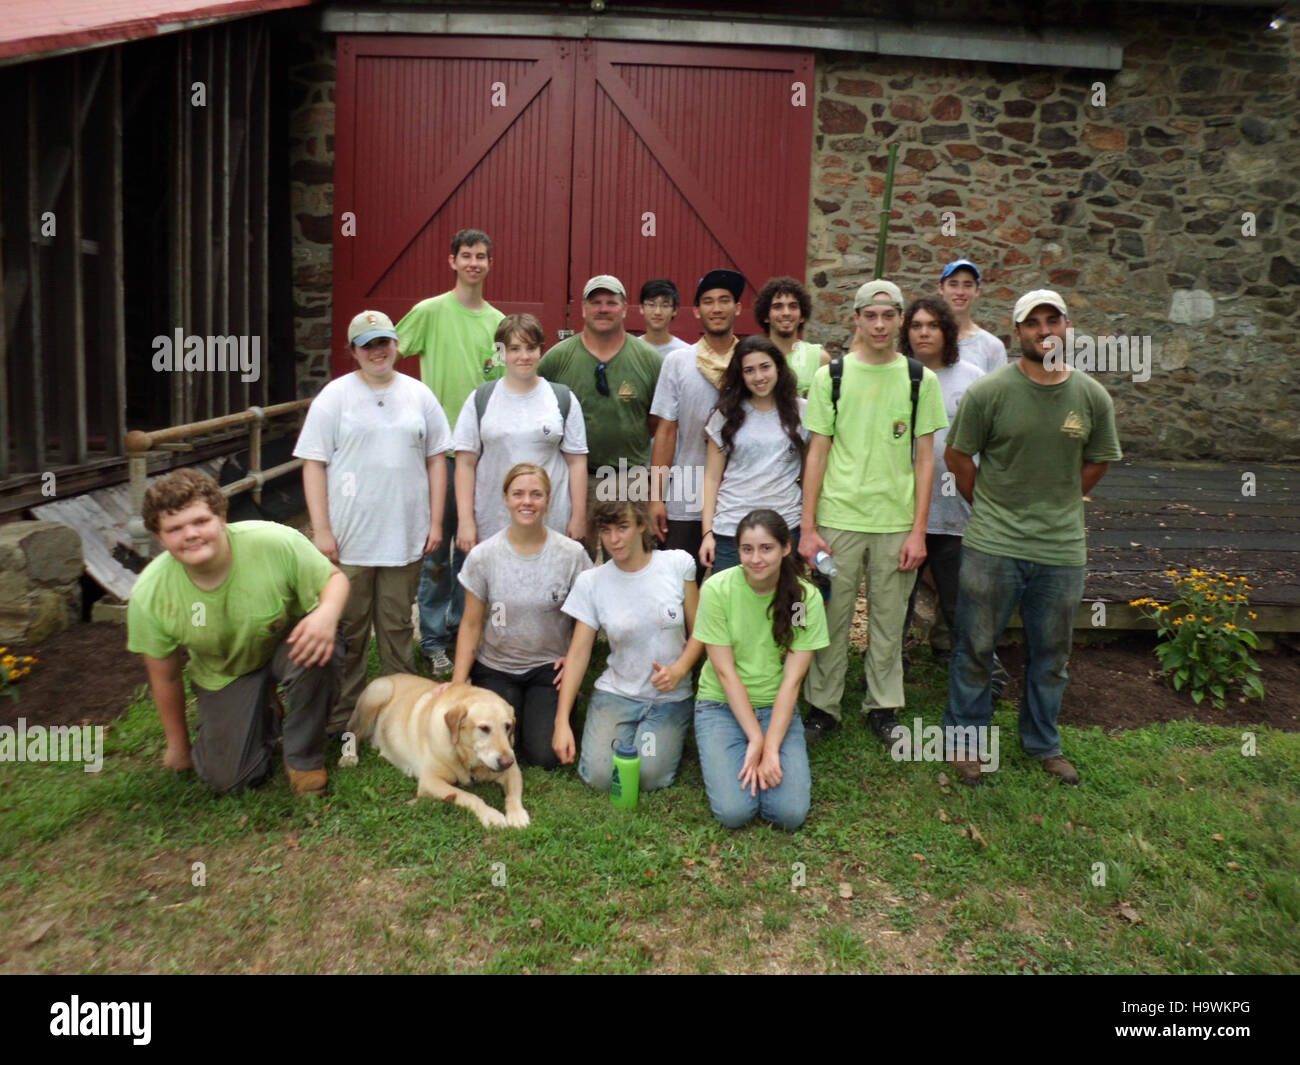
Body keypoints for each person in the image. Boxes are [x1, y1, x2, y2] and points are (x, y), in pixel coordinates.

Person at [943, 289, 1122, 786]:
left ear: (1067, 328)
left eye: (1053, 320)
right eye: (1033, 323)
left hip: (1061, 550)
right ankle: (964, 742)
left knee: (1052, 656)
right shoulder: (990, 392)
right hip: (992, 545)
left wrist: (1060, 500)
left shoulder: (1091, 397)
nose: (1044, 330)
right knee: (975, 647)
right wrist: (992, 506)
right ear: (1016, 332)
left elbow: (1099, 459)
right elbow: (958, 458)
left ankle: (1043, 742)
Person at [126, 469, 349, 796]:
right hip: (225, 672)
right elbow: (165, 676)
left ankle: (303, 759)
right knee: (229, 780)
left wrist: (326, 615)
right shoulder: (150, 594)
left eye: (200, 521)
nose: (190, 534)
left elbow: (335, 579)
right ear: (160, 538)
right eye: (175, 528)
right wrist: (178, 746)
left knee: (320, 651)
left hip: (288, 646)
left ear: (221, 518)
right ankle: (263, 714)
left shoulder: (274, 541)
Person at [798, 279, 947, 746]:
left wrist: (919, 530)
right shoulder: (832, 377)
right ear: (856, 319)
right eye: (870, 315)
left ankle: (883, 706)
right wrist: (807, 527)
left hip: (896, 521)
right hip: (837, 519)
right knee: (829, 616)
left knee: (888, 619)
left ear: (900, 319)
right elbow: (816, 453)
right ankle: (823, 706)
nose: (879, 324)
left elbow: (925, 459)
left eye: (888, 316)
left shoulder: (921, 379)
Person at [295, 309, 453, 735]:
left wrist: (436, 522)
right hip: (349, 540)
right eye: (368, 345)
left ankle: (399, 715)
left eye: (384, 342)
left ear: (396, 345)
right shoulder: (334, 397)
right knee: (349, 629)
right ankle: (345, 717)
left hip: (404, 535)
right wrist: (322, 529)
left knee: (398, 626)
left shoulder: (419, 395)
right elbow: (313, 464)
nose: (377, 351)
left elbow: (437, 459)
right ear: (354, 352)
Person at [397, 227, 504, 675]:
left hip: (479, 455)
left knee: (474, 547)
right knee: (437, 550)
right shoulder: (429, 312)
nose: (474, 263)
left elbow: (497, 382)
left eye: (482, 255)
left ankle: (467, 631)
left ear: (489, 263)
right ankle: (435, 639)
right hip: (439, 454)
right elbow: (387, 355)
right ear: (452, 261)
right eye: (466, 255)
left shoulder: (498, 322)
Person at [896, 297, 1010, 698]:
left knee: (962, 605)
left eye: (932, 325)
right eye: (916, 326)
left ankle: (984, 679)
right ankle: (891, 677)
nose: (924, 332)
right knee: (897, 606)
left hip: (957, 511)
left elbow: (995, 443)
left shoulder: (974, 378)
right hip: (902, 512)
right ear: (906, 333)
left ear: (947, 331)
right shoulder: (897, 376)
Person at [552, 499, 702, 791]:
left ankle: (664, 737)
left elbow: (701, 632)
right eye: (606, 531)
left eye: (623, 528)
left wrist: (680, 670)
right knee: (600, 775)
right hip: (618, 693)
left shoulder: (677, 564)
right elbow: (580, 652)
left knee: (646, 776)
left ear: (642, 525)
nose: (614, 539)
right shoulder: (591, 582)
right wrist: (561, 722)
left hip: (668, 698)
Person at [693, 510, 828, 830]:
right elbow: (724, 672)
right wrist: (756, 738)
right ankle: (737, 747)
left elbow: (793, 681)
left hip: (775, 705)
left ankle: (763, 758)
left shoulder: (803, 600)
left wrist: (771, 746)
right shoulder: (717, 590)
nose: (756, 559)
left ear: (785, 548)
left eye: (766, 548)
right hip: (720, 703)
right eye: (747, 549)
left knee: (789, 814)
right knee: (734, 812)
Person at [451, 463, 592, 768]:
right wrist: (458, 684)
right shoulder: (484, 556)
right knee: (499, 746)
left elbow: (588, 617)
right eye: (518, 494)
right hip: (496, 666)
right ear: (505, 498)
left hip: (548, 667)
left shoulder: (571, 555)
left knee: (543, 756)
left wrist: (573, 656)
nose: (527, 502)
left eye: (536, 494)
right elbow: (472, 624)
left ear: (548, 500)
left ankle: (559, 709)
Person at [538, 275, 662, 557]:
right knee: (573, 560)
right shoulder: (557, 359)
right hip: (574, 479)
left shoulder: (649, 360)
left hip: (630, 479)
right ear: (582, 309)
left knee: (630, 562)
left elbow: (656, 422)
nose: (603, 309)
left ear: (624, 308)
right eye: (595, 303)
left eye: (611, 302)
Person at [452, 313, 588, 550]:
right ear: (501, 352)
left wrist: (577, 516)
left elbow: (576, 462)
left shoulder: (561, 398)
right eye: (514, 348)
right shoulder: (481, 399)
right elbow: (464, 463)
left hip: (551, 519)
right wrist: (465, 520)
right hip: (493, 519)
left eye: (531, 348)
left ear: (541, 350)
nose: (524, 356)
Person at [648, 268, 744, 581]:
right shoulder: (678, 362)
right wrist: (657, 497)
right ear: (697, 311)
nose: (716, 308)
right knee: (679, 585)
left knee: (732, 586)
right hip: (686, 494)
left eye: (724, 300)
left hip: (738, 493)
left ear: (737, 308)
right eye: (708, 301)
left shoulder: (752, 363)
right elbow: (666, 432)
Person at [699, 336, 807, 574]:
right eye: (749, 370)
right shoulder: (725, 415)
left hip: (785, 525)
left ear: (778, 366)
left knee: (786, 604)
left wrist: (810, 527)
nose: (759, 377)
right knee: (731, 604)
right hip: (731, 529)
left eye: (765, 367)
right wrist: (707, 533)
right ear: (741, 375)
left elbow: (812, 473)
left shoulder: (803, 412)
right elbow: (712, 478)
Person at [754, 276, 829, 396]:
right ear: (766, 316)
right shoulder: (752, 356)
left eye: (793, 306)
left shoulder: (819, 357)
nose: (786, 313)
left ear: (802, 315)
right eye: (778, 306)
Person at [937, 259, 1007, 374]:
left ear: (977, 291)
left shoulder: (992, 346)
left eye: (967, 285)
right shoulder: (928, 339)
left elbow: (999, 390)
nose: (960, 292)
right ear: (941, 288)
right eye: (953, 284)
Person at [638, 278, 693, 356]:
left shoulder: (685, 352)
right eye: (651, 305)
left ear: (674, 310)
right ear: (641, 308)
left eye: (665, 306)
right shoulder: (632, 350)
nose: (657, 312)